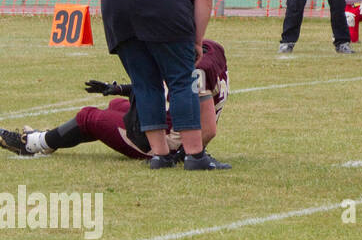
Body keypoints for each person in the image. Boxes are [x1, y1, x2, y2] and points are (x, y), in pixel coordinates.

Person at [98, 0, 227, 170]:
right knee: (182, 80)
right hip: (159, 3)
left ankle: (160, 155)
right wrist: (196, 41)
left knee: (146, 82)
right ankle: (195, 155)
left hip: (114, 4)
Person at [1, 41, 228, 162]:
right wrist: (121, 89)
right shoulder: (210, 50)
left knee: (88, 116)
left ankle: (33, 144)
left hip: (170, 140)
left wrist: (186, 154)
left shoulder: (197, 70)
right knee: (117, 106)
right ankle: (54, 138)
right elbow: (169, 86)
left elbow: (208, 127)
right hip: (173, 121)